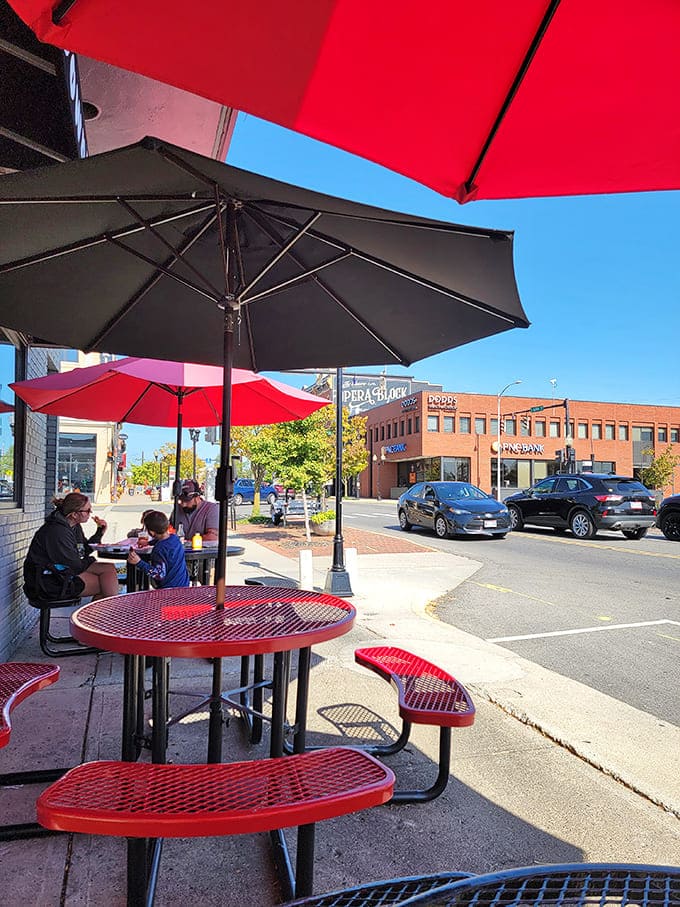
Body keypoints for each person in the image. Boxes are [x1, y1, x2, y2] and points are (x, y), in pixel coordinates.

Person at [23, 492, 119, 601]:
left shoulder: (74, 526)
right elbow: (75, 565)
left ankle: (102, 611)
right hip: (45, 581)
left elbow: (82, 551)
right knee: (105, 584)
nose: (90, 513)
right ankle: (107, 610)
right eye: (87, 510)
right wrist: (91, 560)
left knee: (109, 569)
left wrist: (99, 532)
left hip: (60, 572)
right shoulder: (57, 531)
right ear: (74, 514)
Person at [127, 511, 189, 589]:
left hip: (168, 590)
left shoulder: (159, 549)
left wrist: (139, 562)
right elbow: (164, 540)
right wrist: (148, 543)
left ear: (151, 532)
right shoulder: (175, 538)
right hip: (184, 585)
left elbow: (159, 575)